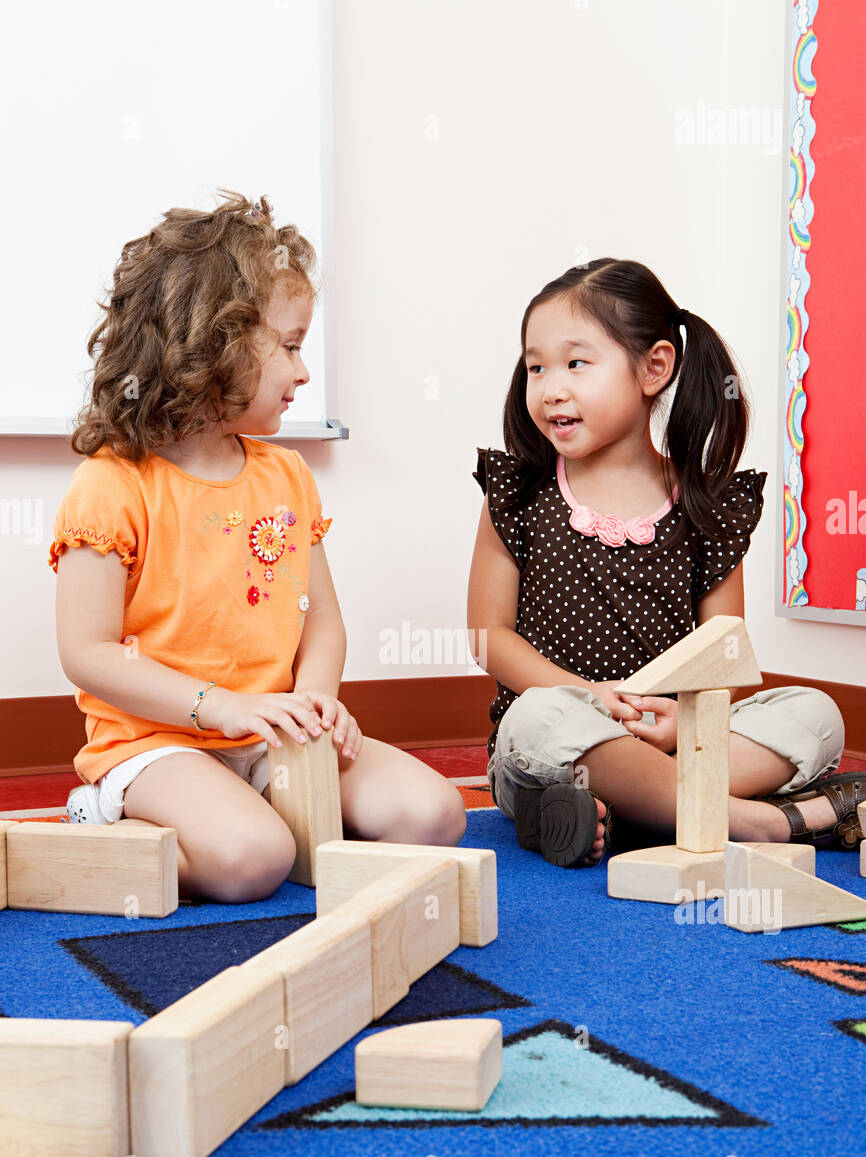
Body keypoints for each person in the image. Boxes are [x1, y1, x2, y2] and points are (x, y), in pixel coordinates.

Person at [50, 190, 465, 904]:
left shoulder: (286, 475)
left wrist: (314, 701)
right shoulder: (111, 485)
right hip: (158, 746)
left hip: (269, 736)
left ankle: (249, 809)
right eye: (293, 347)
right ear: (214, 344)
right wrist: (219, 708)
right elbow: (87, 652)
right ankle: (100, 824)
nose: (305, 374)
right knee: (253, 861)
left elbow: (323, 618)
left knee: (432, 814)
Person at [467, 258, 863, 867]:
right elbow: (486, 635)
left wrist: (682, 723)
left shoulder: (706, 503)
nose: (550, 387)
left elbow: (725, 652)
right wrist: (589, 695)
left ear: (654, 368)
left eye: (576, 363)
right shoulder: (519, 492)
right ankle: (757, 821)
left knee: (817, 715)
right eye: (536, 366)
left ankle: (629, 806)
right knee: (535, 721)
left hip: (676, 737)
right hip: (566, 735)